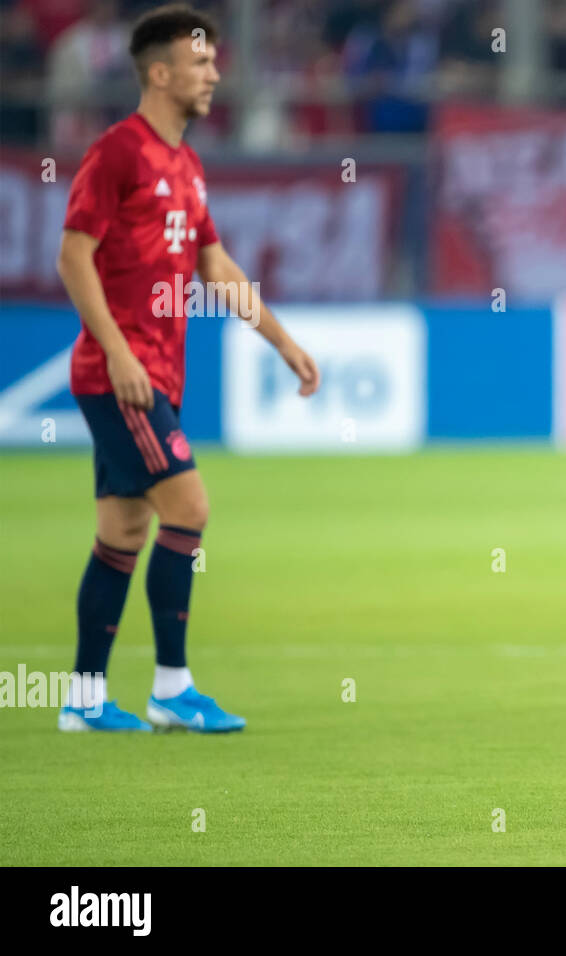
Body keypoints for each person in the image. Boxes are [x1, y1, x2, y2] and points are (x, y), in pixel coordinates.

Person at [56, 4, 320, 732]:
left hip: (154, 372)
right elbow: (72, 254)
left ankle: (82, 702)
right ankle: (172, 687)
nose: (214, 74)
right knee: (190, 508)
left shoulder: (186, 162)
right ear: (161, 72)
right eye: (201, 63)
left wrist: (281, 339)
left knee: (122, 533)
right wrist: (116, 353)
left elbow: (214, 264)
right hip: (123, 373)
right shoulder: (118, 152)